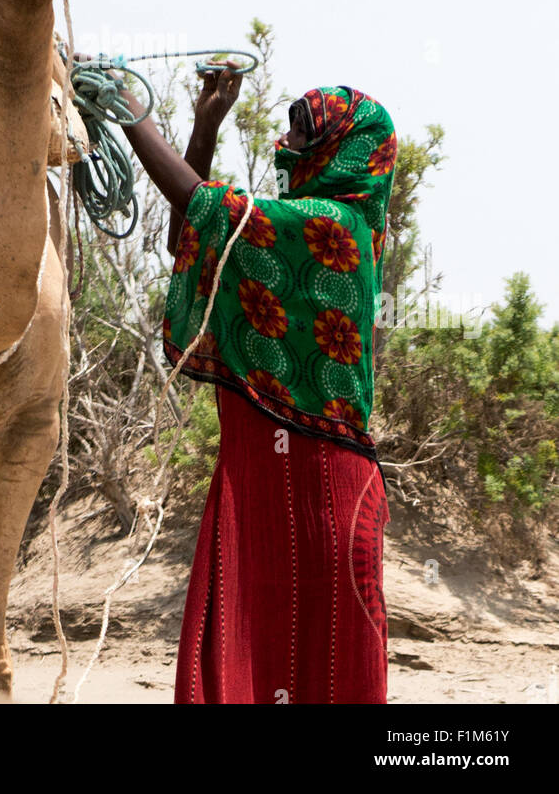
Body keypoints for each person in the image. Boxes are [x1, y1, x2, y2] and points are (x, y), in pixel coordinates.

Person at [115, 65, 397, 705]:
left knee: (325, 668)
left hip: (323, 487)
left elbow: (204, 207)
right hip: (262, 471)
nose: (286, 139)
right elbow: (189, 235)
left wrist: (134, 114)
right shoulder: (293, 222)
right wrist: (205, 124)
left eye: (303, 129)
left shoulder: (332, 227)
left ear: (342, 149)